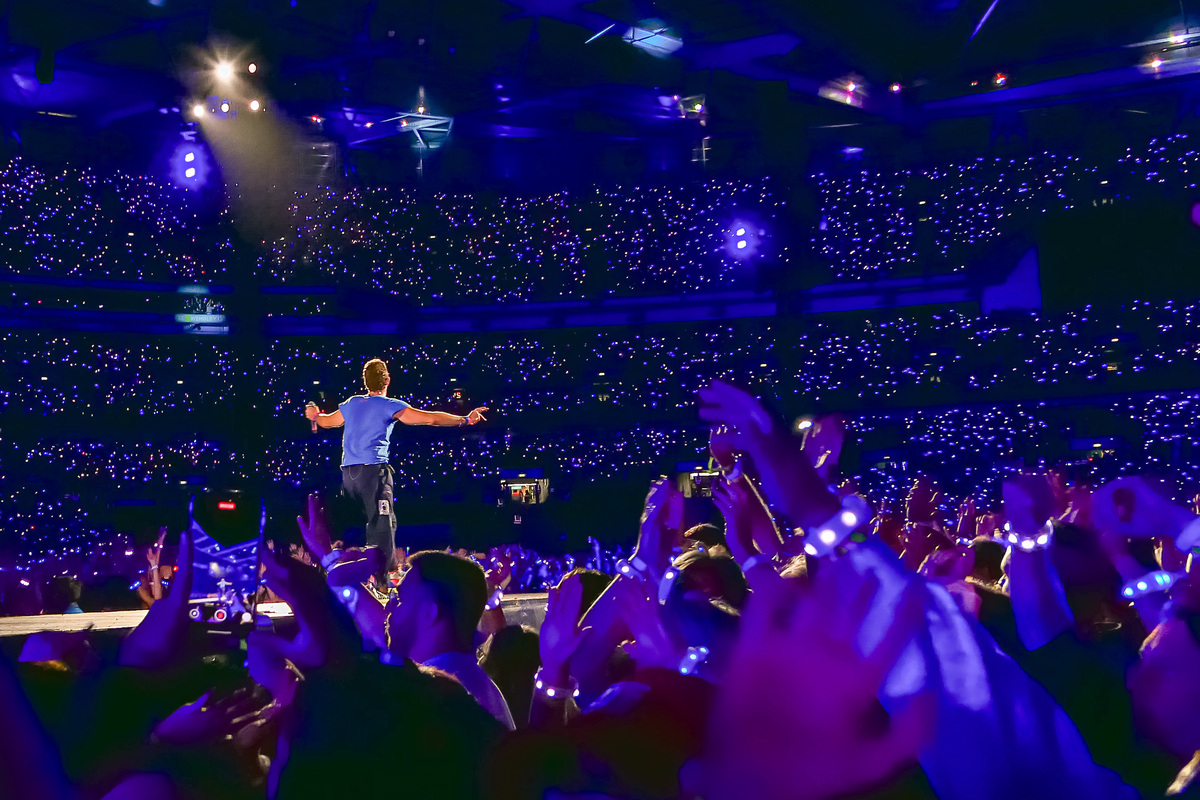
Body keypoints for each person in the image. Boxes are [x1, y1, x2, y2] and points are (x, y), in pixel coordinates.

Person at [304, 358, 488, 589]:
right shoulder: (388, 405)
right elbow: (429, 418)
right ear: (387, 379)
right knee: (384, 525)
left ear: (365, 381)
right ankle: (381, 583)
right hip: (372, 472)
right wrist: (465, 419)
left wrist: (314, 415)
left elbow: (327, 422)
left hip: (348, 476)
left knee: (370, 525)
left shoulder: (351, 404)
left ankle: (358, 575)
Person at [383, 550, 516, 730]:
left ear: (429, 613)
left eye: (399, 599)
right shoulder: (473, 683)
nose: (388, 609)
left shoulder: (431, 696)